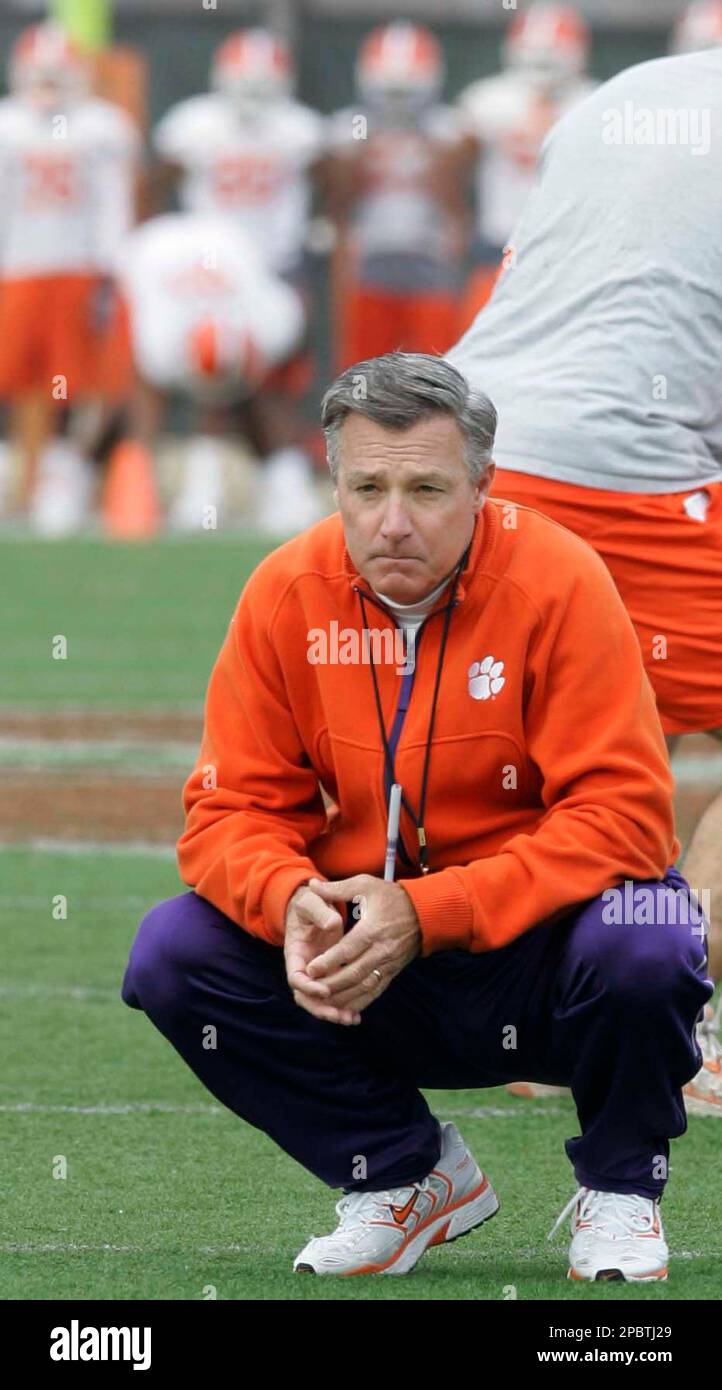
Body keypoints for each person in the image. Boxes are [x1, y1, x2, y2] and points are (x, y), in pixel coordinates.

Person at [122, 353, 710, 1281]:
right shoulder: (284, 591)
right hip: (360, 968)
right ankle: (404, 1176)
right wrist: (289, 901)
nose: (393, 521)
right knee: (174, 951)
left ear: (484, 484)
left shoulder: (561, 580)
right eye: (368, 488)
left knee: (655, 927)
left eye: (428, 488)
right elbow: (227, 811)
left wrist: (431, 913)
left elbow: (630, 820)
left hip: (541, 959)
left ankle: (621, 1189)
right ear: (335, 484)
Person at [448, 47, 722, 1115]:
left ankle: (552, 1013)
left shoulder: (630, 88)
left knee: (616, 719)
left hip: (467, 441)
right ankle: (673, 1028)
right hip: (617, 460)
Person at [151, 28, 326, 525]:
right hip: (215, 274)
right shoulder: (195, 124)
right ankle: (247, 490)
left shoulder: (299, 129)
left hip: (275, 270)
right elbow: (157, 183)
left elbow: (331, 179)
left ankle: (263, 490)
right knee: (215, 376)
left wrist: (320, 229)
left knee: (265, 384)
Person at [0, 21, 139, 532]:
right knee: (13, 379)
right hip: (16, 268)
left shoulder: (101, 126)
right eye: (41, 75)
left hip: (76, 270)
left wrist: (110, 267)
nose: (48, 85)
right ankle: (20, 475)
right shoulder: (8, 124)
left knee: (67, 383)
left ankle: (60, 477)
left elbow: (112, 204)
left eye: (57, 75)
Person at [111, 212, 317, 535]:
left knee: (271, 398)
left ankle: (284, 485)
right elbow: (149, 383)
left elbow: (296, 311)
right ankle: (139, 481)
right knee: (126, 391)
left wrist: (244, 372)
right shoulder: (159, 340)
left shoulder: (274, 321)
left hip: (232, 242)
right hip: (152, 252)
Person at [324, 22, 468, 370]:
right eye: (391, 91)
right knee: (363, 368)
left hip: (430, 256)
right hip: (370, 256)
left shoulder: (448, 127)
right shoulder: (350, 127)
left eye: (406, 91)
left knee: (435, 366)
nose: (398, 102)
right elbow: (339, 201)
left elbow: (454, 198)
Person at [454, 2, 594, 334]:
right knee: (480, 347)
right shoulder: (487, 101)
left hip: (568, 251)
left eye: (551, 58)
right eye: (535, 57)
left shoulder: (593, 100)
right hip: (499, 248)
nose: (543, 69)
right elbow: (455, 167)